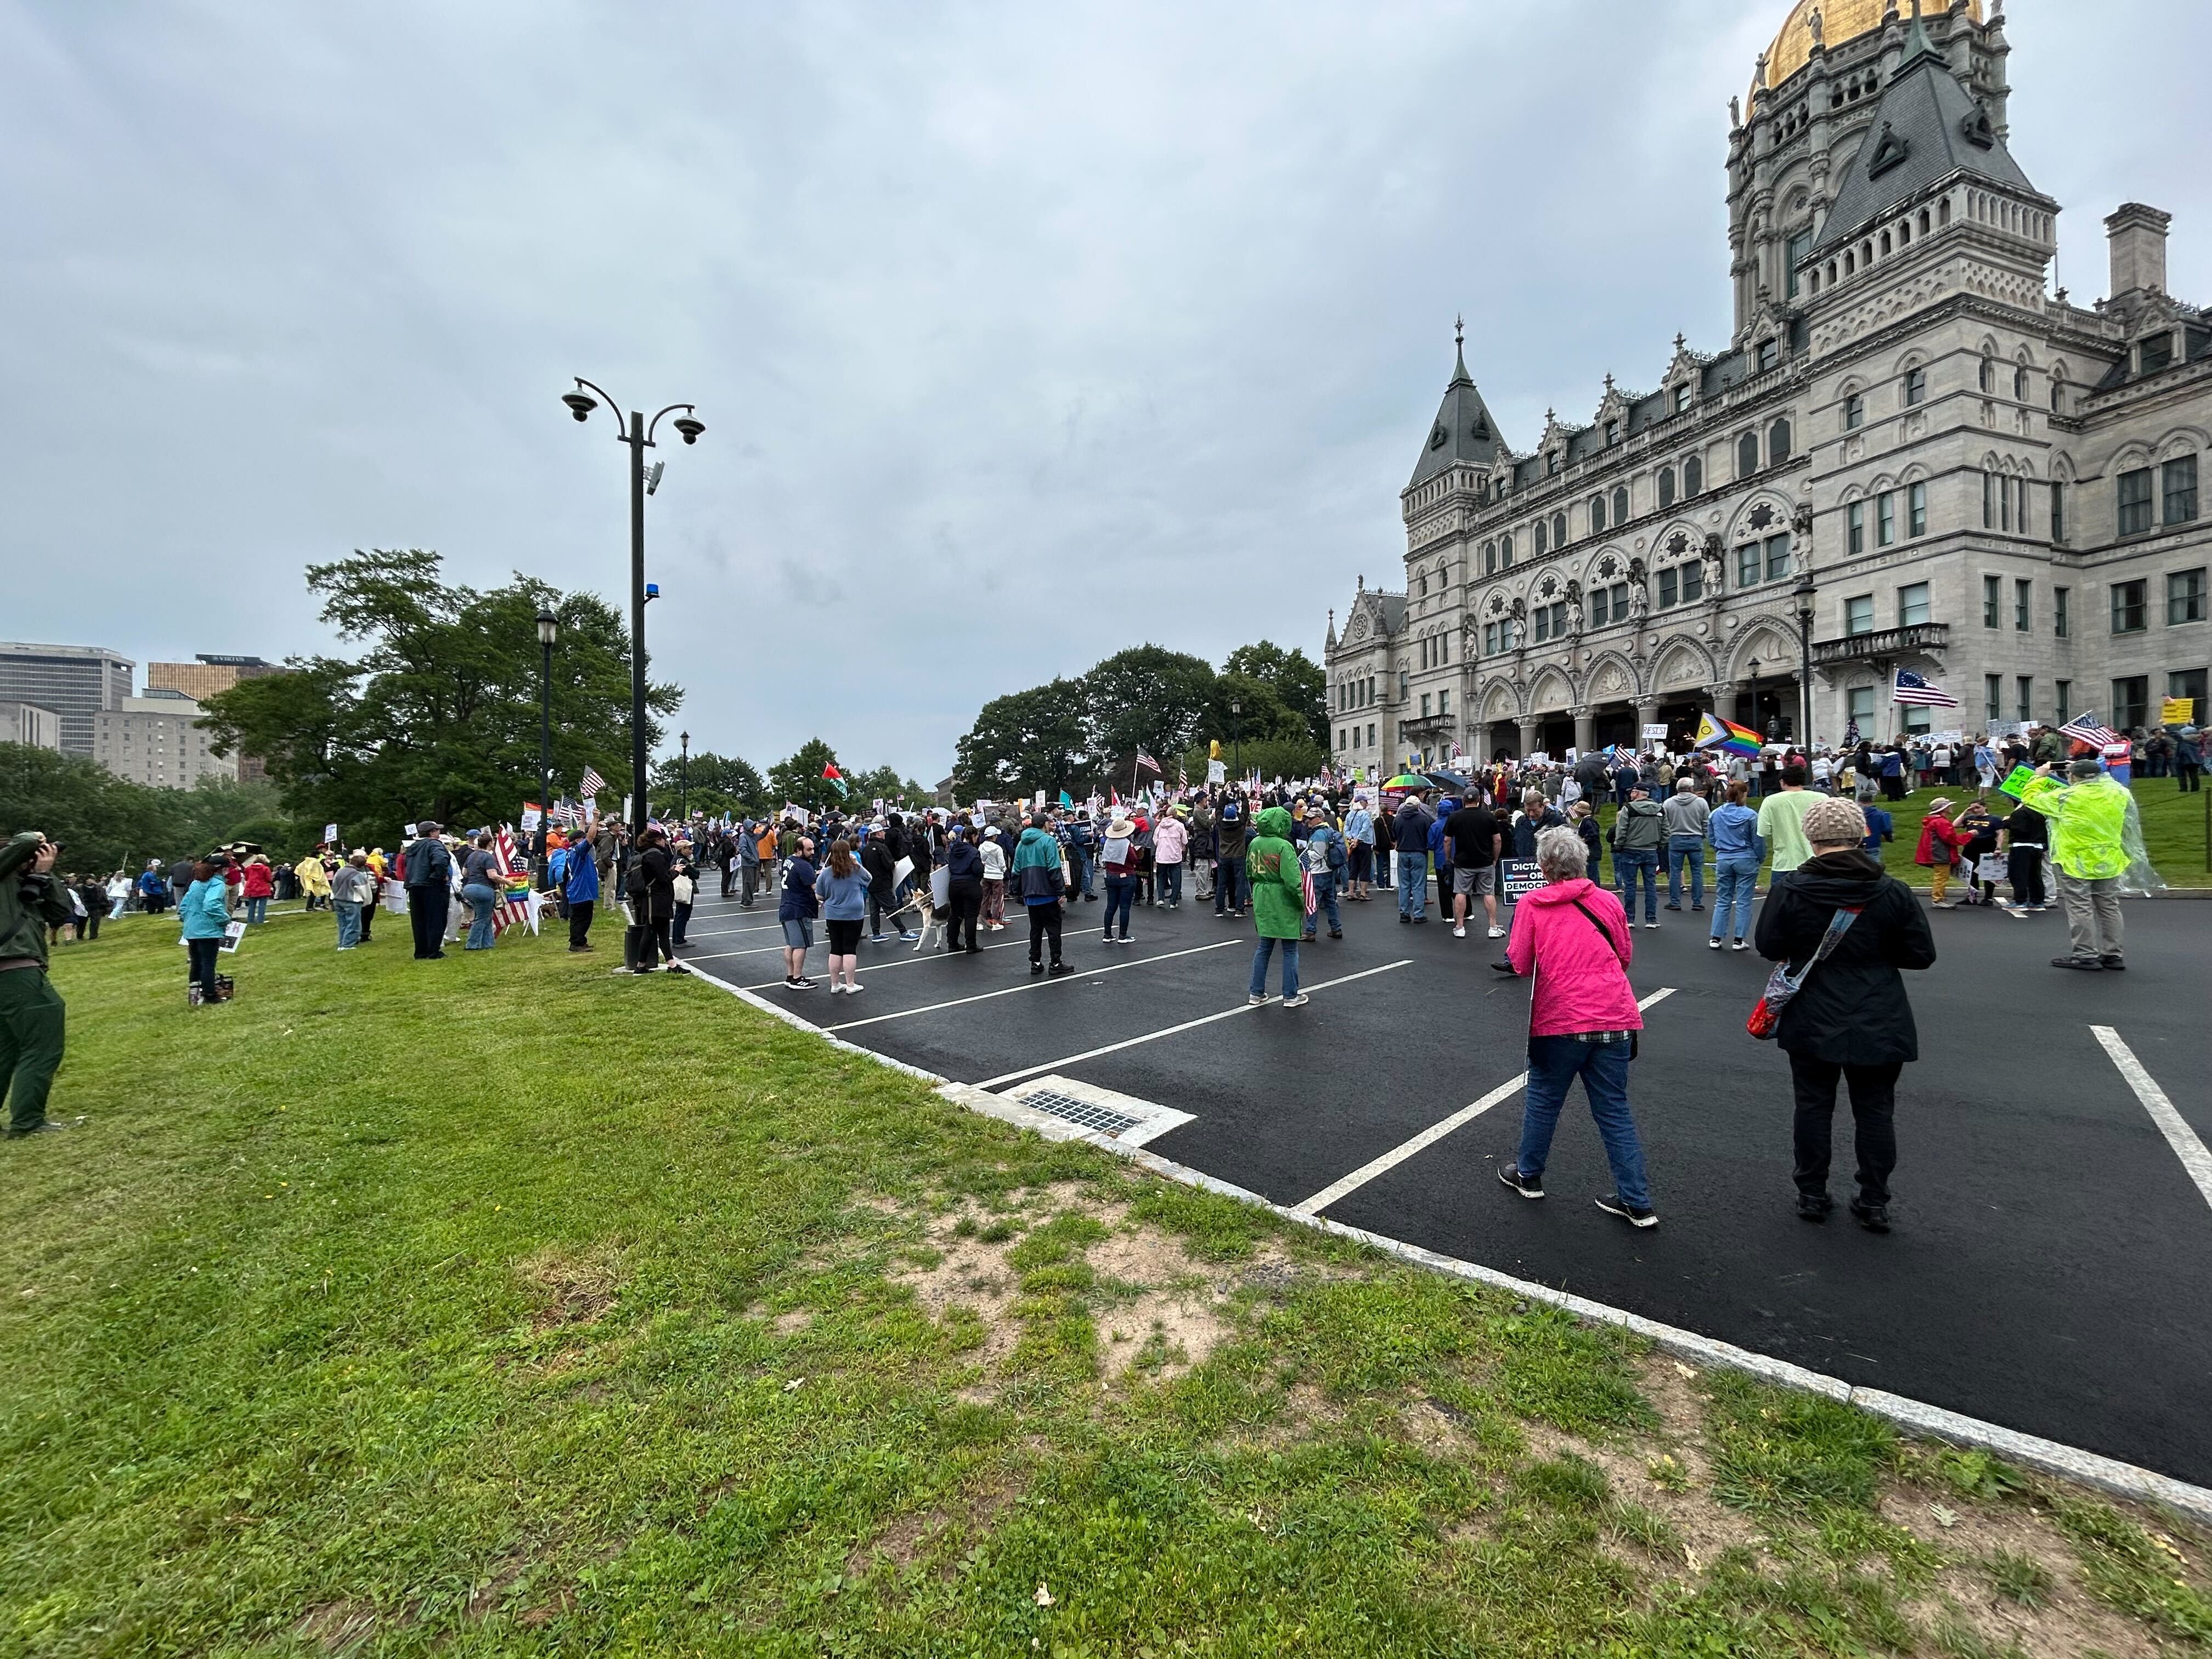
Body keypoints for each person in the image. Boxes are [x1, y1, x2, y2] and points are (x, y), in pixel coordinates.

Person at [1755, 797, 1937, 1233]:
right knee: (1875, 1110)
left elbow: (1769, 946)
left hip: (1813, 1008)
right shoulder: (1892, 891)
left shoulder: (1791, 889)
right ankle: (1874, 1199)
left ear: (1811, 838)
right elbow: (1920, 955)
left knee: (1813, 1105)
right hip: (1879, 1009)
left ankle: (1811, 1192)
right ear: (1860, 836)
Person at [1496, 826, 1657, 1228]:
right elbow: (1623, 955)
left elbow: (1520, 963)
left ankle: (1529, 1174)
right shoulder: (1607, 901)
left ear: (1544, 867)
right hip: (1614, 1015)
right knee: (1614, 1109)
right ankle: (1637, 1200)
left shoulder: (1533, 904)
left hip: (1561, 1018)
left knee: (1544, 1099)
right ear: (1582, 862)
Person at [2018, 759, 2138, 971]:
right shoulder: (2119, 793)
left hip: (2075, 859)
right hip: (2108, 857)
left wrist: (2039, 776)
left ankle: (2086, 954)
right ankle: (2113, 954)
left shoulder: (2066, 797)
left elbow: (2029, 798)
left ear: (2073, 776)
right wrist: (2086, 767)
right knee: (2109, 906)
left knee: (2080, 907)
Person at [1, 832, 76, 1138]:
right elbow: (25, 841)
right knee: (43, 1040)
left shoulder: (22, 884)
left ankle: (25, 1120)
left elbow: (60, 913)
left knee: (6, 1048)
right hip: (14, 970)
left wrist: (45, 874)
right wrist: (37, 840)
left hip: (14, 971)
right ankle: (28, 1122)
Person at [1245, 806, 1310, 1007]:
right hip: (1282, 897)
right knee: (1290, 948)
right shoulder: (1284, 846)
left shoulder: (1255, 843)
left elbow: (1249, 871)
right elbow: (1292, 880)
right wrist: (1301, 901)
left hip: (1262, 894)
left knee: (1264, 946)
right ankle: (1290, 995)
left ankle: (1256, 992)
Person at [1705, 780, 1763, 951]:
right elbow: (1757, 840)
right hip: (1746, 857)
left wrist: (1720, 850)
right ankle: (1739, 940)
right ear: (1744, 794)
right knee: (1744, 900)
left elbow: (1712, 838)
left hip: (1724, 858)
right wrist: (1759, 857)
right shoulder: (1751, 815)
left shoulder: (1716, 814)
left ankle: (1716, 937)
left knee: (1723, 899)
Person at [1013, 817, 1071, 975]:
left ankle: (1036, 962)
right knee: (1053, 929)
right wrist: (1060, 891)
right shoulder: (1048, 841)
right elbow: (1054, 867)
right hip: (1047, 892)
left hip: (1030, 893)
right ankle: (1056, 962)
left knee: (1036, 929)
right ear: (1045, 824)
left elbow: (1016, 869)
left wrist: (1017, 892)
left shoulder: (1021, 844)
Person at [1442, 792, 1502, 940]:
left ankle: (1460, 927)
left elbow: (1447, 841)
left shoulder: (1455, 817)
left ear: (1463, 800)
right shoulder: (1489, 816)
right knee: (1488, 893)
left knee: (1461, 892)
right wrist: (1495, 858)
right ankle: (1493, 927)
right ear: (1479, 800)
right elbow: (1497, 840)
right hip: (1485, 861)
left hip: (1463, 862)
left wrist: (1448, 858)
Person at [815, 836, 871, 992]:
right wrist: (856, 863)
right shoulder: (856, 871)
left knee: (835, 948)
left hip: (833, 914)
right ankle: (851, 984)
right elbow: (869, 879)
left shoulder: (825, 874)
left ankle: (835, 984)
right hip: (854, 913)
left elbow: (819, 895)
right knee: (850, 948)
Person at [178, 857, 232, 1006]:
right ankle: (210, 994)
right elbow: (211, 905)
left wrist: (186, 919)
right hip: (208, 929)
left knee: (196, 962)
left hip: (191, 929)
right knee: (208, 963)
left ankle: (195, 994)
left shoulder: (196, 883)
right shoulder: (217, 884)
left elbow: (184, 905)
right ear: (223, 869)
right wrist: (225, 919)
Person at [1609, 783, 1664, 927]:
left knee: (1630, 886)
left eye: (1633, 792)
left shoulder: (1629, 809)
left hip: (1630, 850)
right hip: (1651, 850)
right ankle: (1651, 919)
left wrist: (1618, 845)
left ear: (1637, 793)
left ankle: (1630, 919)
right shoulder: (1659, 809)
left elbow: (1622, 830)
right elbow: (1665, 830)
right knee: (1650, 885)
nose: (1631, 794)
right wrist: (1660, 844)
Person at [402, 823, 453, 960]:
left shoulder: (413, 847)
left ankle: (421, 951)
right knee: (436, 919)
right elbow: (441, 860)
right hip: (432, 885)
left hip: (414, 885)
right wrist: (440, 876)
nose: (439, 833)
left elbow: (407, 865)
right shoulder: (434, 844)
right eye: (437, 830)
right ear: (432, 833)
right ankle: (433, 952)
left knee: (419, 920)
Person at [775, 835, 820, 988]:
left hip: (787, 907)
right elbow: (816, 888)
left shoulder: (789, 860)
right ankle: (797, 978)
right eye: (809, 850)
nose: (812, 852)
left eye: (813, 849)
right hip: (799, 910)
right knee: (801, 945)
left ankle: (790, 976)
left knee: (791, 945)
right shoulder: (803, 865)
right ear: (799, 850)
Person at [1661, 777, 1710, 913]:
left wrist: (1667, 836)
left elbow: (1664, 823)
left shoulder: (1669, 803)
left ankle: (1675, 901)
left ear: (1678, 789)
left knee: (1675, 872)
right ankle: (1697, 902)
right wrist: (1703, 835)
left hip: (1676, 839)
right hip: (1695, 838)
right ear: (1691, 788)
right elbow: (1706, 822)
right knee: (1697, 872)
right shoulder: (1701, 802)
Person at [1299, 809, 1346, 941]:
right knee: (1330, 901)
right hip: (1328, 871)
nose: (1308, 821)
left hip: (1317, 873)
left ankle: (1310, 931)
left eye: (1311, 818)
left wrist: (1303, 855)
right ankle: (1336, 928)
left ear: (1319, 818)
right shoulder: (1328, 831)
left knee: (1312, 902)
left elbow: (1317, 854)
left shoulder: (1318, 833)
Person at [1999, 797, 2048, 913]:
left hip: (2021, 846)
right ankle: (2037, 901)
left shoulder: (2020, 813)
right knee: (2035, 875)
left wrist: (2007, 822)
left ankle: (2020, 901)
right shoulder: (2039, 813)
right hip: (2037, 846)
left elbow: (2020, 829)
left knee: (2018, 874)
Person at [1392, 792, 1435, 923]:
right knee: (1418, 885)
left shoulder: (1398, 819)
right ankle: (1418, 914)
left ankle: (1404, 913)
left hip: (1403, 852)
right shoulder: (1424, 818)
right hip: (1419, 852)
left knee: (1404, 885)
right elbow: (1429, 832)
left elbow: (1394, 835)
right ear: (1418, 806)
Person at [1912, 797, 1961, 908]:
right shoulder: (1941, 822)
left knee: (1941, 876)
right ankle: (1938, 899)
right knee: (1941, 877)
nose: (1951, 808)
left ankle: (1940, 898)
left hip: (1937, 852)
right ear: (1944, 809)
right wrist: (1969, 835)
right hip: (1940, 853)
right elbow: (1950, 838)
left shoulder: (1935, 821)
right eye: (1949, 806)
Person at [1099, 815, 1139, 944]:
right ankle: (1123, 935)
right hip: (1126, 875)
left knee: (1111, 907)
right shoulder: (1126, 844)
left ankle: (1107, 934)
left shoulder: (1108, 842)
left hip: (1110, 876)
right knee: (1124, 907)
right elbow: (1134, 859)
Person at [943, 825, 984, 953]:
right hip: (970, 884)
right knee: (971, 916)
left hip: (955, 884)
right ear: (973, 836)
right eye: (976, 837)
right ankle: (971, 945)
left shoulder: (953, 849)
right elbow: (978, 870)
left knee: (955, 915)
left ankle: (952, 944)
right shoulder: (973, 852)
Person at [562, 818, 600, 950]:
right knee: (581, 918)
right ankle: (576, 943)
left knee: (583, 916)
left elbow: (580, 833)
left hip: (578, 888)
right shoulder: (579, 851)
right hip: (581, 889)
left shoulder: (572, 851)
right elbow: (590, 837)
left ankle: (581, 940)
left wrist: (583, 819)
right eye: (582, 839)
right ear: (579, 841)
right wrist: (595, 820)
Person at [460, 834, 503, 950]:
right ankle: (472, 945)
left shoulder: (472, 855)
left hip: (469, 889)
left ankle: (488, 943)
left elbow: (464, 873)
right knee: (482, 918)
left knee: (486, 916)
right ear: (490, 843)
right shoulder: (488, 857)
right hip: (483, 890)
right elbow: (492, 875)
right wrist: (509, 882)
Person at [330, 852, 377, 949]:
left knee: (343, 923)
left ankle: (342, 943)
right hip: (352, 901)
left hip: (337, 900)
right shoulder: (358, 875)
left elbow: (334, 885)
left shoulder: (340, 871)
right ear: (362, 866)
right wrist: (367, 902)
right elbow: (364, 890)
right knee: (353, 924)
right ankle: (347, 945)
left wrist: (333, 896)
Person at [1153, 808, 1187, 910]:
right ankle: (1173, 902)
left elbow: (1155, 840)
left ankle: (1161, 899)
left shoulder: (1160, 826)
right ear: (1175, 815)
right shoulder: (1179, 825)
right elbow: (1184, 841)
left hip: (1162, 855)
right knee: (1176, 879)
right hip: (1175, 855)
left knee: (1161, 877)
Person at [1343, 795, 1374, 900]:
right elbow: (1365, 829)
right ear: (1361, 802)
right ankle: (1363, 893)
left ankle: (1351, 892)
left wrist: (1352, 839)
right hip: (1364, 843)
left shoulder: (1350, 814)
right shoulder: (1365, 814)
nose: (1367, 804)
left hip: (1353, 845)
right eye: (1366, 801)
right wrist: (1358, 840)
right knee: (1365, 868)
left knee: (1353, 868)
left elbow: (1346, 829)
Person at [240, 854, 275, 926]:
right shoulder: (265, 868)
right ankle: (260, 920)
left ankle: (250, 920)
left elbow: (246, 878)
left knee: (252, 906)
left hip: (251, 888)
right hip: (263, 888)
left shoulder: (248, 868)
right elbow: (269, 879)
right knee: (262, 905)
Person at [2175, 726, 2203, 793]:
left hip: (2184, 758)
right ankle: (2195, 788)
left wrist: (2166, 726)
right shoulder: (2198, 739)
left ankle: (2183, 789)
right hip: (2195, 759)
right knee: (2194, 774)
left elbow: (2173, 734)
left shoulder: (2184, 740)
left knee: (2182, 775)